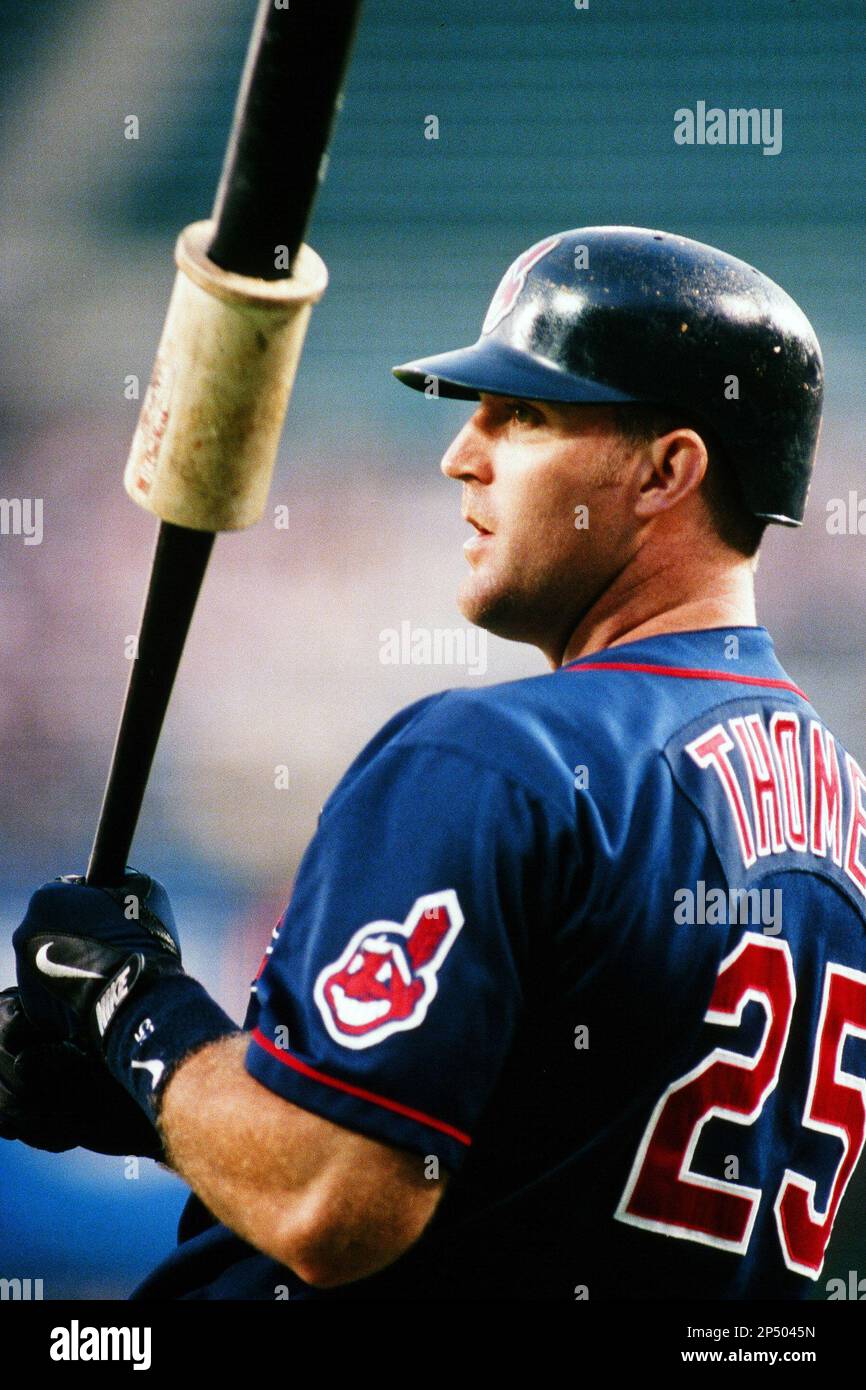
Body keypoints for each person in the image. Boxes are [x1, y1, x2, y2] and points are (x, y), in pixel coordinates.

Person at [2, 226, 863, 1301]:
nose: (461, 452)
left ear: (666, 471)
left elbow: (333, 1204)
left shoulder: (497, 758)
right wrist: (172, 1099)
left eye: (525, 415)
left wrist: (128, 1005)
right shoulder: (844, 811)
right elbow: (523, 1162)